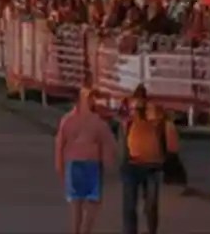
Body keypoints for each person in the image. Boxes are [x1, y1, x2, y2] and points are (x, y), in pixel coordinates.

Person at [55, 87, 116, 234]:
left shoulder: (67, 120)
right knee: (92, 204)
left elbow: (60, 145)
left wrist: (60, 166)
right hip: (92, 165)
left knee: (76, 205)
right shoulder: (98, 122)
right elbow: (108, 143)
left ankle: (76, 231)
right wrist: (108, 162)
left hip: (73, 165)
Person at [120, 89, 178, 234]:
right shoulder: (129, 116)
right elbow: (123, 137)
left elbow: (168, 130)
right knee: (131, 205)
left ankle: (152, 230)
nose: (139, 106)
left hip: (152, 165)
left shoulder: (155, 114)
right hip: (134, 164)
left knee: (150, 205)